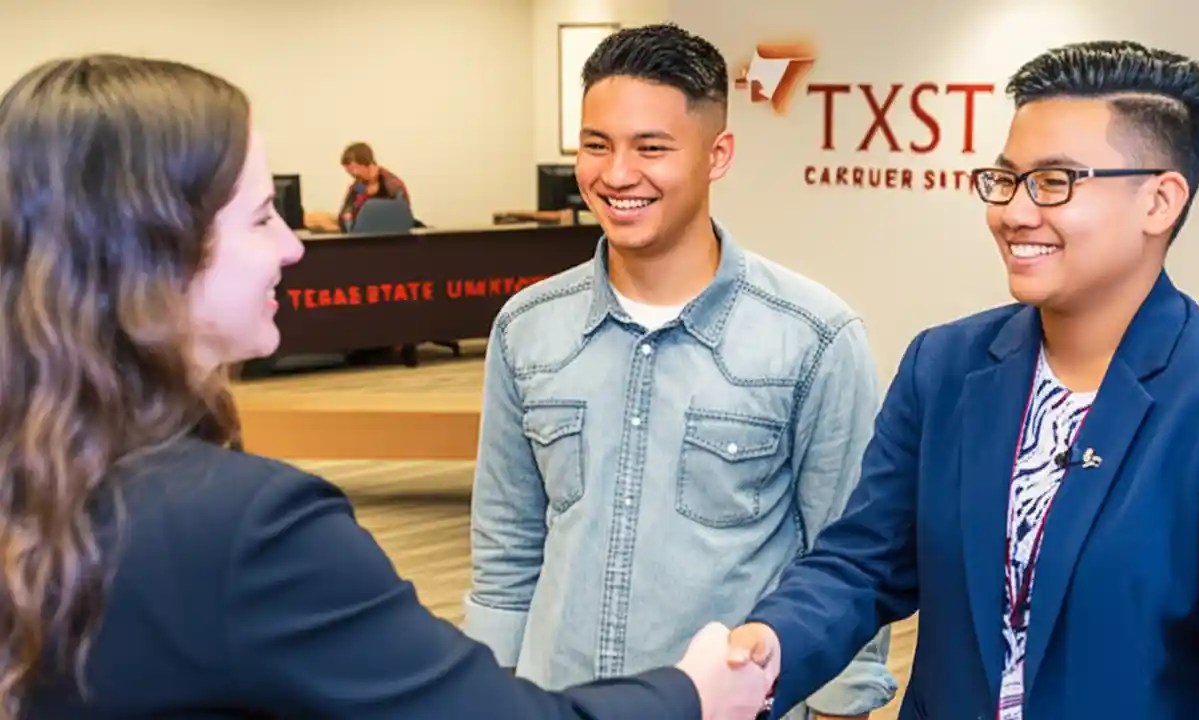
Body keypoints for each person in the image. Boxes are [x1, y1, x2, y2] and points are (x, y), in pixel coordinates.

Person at [2, 53, 768, 720]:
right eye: (264, 217)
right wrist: (694, 695)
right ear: (155, 251)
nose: (292, 247)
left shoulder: (37, 468)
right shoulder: (245, 526)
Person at [724, 40, 1199, 720]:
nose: (1014, 212)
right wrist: (768, 647)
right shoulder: (946, 366)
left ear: (1159, 200)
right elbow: (863, 564)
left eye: (1054, 182)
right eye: (1006, 179)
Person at [464, 23, 895, 720]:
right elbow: (507, 548)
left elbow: (845, 564)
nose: (616, 174)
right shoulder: (527, 327)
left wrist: (842, 710)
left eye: (651, 148)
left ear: (717, 155)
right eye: (596, 145)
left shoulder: (813, 337)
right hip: (555, 701)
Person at [304, 142, 411, 232]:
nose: (354, 176)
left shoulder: (392, 184)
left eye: (356, 172)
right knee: (312, 219)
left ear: (368, 164)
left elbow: (401, 215)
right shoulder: (358, 186)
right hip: (354, 231)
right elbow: (346, 212)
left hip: (380, 235)